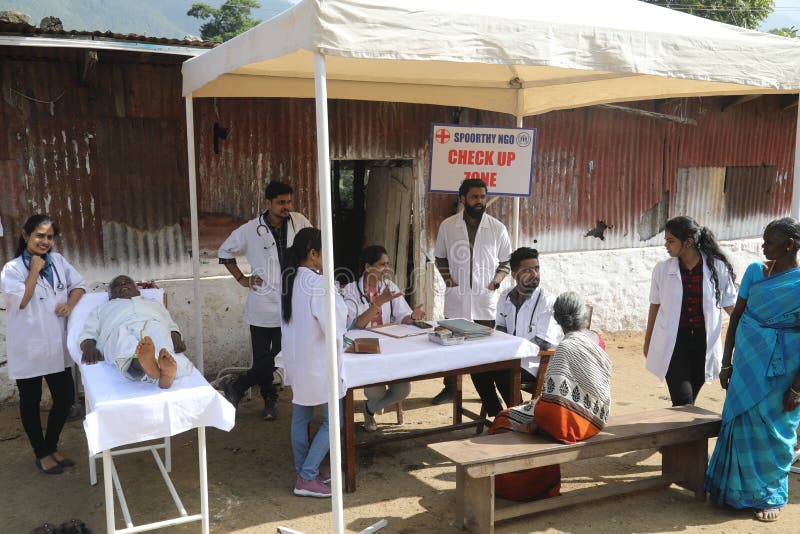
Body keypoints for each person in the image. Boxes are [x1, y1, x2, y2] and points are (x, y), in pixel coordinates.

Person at [705, 217, 800, 523]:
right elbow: (737, 317)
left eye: (769, 241)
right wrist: (726, 361)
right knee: (741, 422)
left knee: (774, 431)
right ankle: (730, 491)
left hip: (784, 369)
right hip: (746, 364)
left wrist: (797, 387)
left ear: (789, 245)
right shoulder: (754, 272)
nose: (763, 246)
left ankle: (768, 494)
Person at [489, 291, 611, 501]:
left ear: (558, 319)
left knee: (503, 419)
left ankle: (521, 489)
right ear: (583, 315)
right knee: (526, 413)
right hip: (597, 417)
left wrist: (535, 421)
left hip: (571, 426)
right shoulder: (596, 340)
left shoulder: (565, 347)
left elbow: (552, 404)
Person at [218, 180, 311, 420]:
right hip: (262, 301)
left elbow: (312, 245)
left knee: (283, 352)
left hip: (291, 298)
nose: (286, 207)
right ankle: (270, 400)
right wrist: (242, 279)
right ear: (267, 203)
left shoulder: (299, 221)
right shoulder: (250, 229)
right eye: (281, 202)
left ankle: (238, 386)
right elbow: (224, 251)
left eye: (289, 202)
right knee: (262, 357)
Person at [1, 214, 86, 474]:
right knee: (31, 400)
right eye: (39, 235)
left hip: (55, 344)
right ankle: (41, 453)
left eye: (49, 236)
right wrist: (35, 269)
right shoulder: (12, 269)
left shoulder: (58, 262)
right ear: (26, 236)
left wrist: (70, 305)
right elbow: (22, 301)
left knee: (65, 397)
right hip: (29, 346)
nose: (45, 241)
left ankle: (50, 445)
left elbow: (79, 285)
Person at [276, 228, 347, 498]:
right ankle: (306, 476)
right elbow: (335, 323)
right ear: (314, 254)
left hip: (298, 359)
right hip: (318, 361)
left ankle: (305, 469)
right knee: (333, 421)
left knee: (302, 415)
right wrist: (340, 299)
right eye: (325, 251)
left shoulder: (291, 280)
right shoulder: (318, 283)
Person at [432, 178, 511, 404]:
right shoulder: (448, 226)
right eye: (475, 197)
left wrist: (495, 283)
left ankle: (486, 393)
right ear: (463, 199)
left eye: (482, 197)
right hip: (457, 299)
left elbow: (506, 261)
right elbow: (440, 257)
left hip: (484, 300)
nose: (479, 201)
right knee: (451, 350)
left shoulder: (497, 228)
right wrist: (448, 280)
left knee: (484, 352)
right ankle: (450, 389)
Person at [643, 216, 737, 406]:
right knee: (683, 400)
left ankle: (685, 435)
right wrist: (648, 341)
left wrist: (752, 328)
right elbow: (655, 306)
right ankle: (685, 434)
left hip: (703, 343)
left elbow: (730, 306)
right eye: (666, 241)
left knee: (689, 400)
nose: (666, 246)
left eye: (671, 241)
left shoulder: (717, 268)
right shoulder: (662, 270)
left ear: (688, 242)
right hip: (674, 342)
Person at [342, 245, 426, 431]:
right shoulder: (350, 290)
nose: (386, 269)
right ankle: (373, 405)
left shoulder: (389, 287)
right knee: (375, 391)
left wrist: (413, 316)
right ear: (367, 267)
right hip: (364, 349)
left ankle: (369, 410)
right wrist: (378, 303)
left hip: (389, 347)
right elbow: (358, 324)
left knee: (403, 390)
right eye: (381, 265)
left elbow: (402, 315)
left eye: (388, 264)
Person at [478, 247, 563, 417]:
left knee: (503, 370)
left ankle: (519, 416)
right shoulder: (506, 297)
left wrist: (510, 352)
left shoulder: (547, 301)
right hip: (510, 357)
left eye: (537, 269)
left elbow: (543, 343)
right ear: (514, 274)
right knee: (476, 366)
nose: (534, 274)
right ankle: (499, 415)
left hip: (536, 362)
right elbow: (500, 331)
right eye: (527, 270)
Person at [78, 275, 193, 389]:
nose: (122, 285)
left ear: (137, 290)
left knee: (161, 337)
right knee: (123, 342)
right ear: (110, 295)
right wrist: (88, 347)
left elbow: (169, 324)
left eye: (127, 283)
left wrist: (176, 337)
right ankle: (157, 371)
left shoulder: (153, 303)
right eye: (116, 285)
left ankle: (155, 369)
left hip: (152, 323)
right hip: (119, 328)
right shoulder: (101, 309)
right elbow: (89, 331)